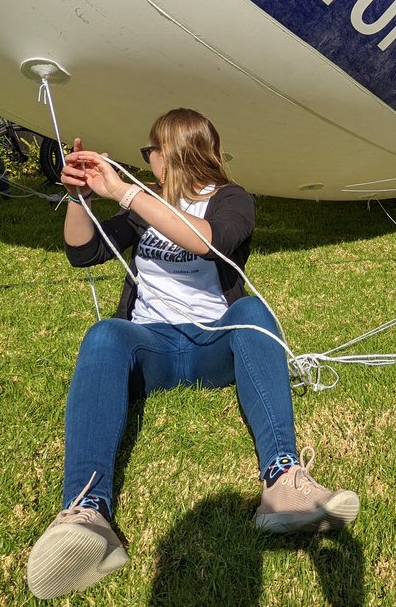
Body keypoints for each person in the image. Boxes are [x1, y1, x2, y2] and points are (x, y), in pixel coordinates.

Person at [26, 108, 358, 600]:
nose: (148, 162)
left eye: (149, 153)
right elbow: (82, 251)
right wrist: (77, 196)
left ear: (172, 154)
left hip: (213, 346)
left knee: (252, 313)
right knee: (103, 334)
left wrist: (124, 192)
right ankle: (87, 514)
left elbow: (210, 243)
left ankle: (283, 483)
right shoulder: (141, 205)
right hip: (152, 346)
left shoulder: (231, 199)